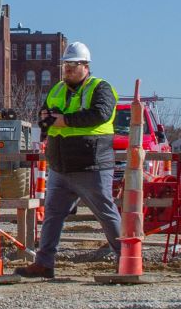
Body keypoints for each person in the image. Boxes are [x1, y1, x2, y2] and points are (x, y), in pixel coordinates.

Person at [17, 42, 122, 279]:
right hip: (60, 166)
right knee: (53, 214)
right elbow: (43, 115)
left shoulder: (100, 88)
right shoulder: (57, 89)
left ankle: (126, 259)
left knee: (105, 212)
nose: (67, 70)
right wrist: (49, 120)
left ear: (85, 66)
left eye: (72, 66)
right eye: (65, 65)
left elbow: (100, 115)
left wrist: (64, 120)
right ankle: (44, 263)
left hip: (91, 165)